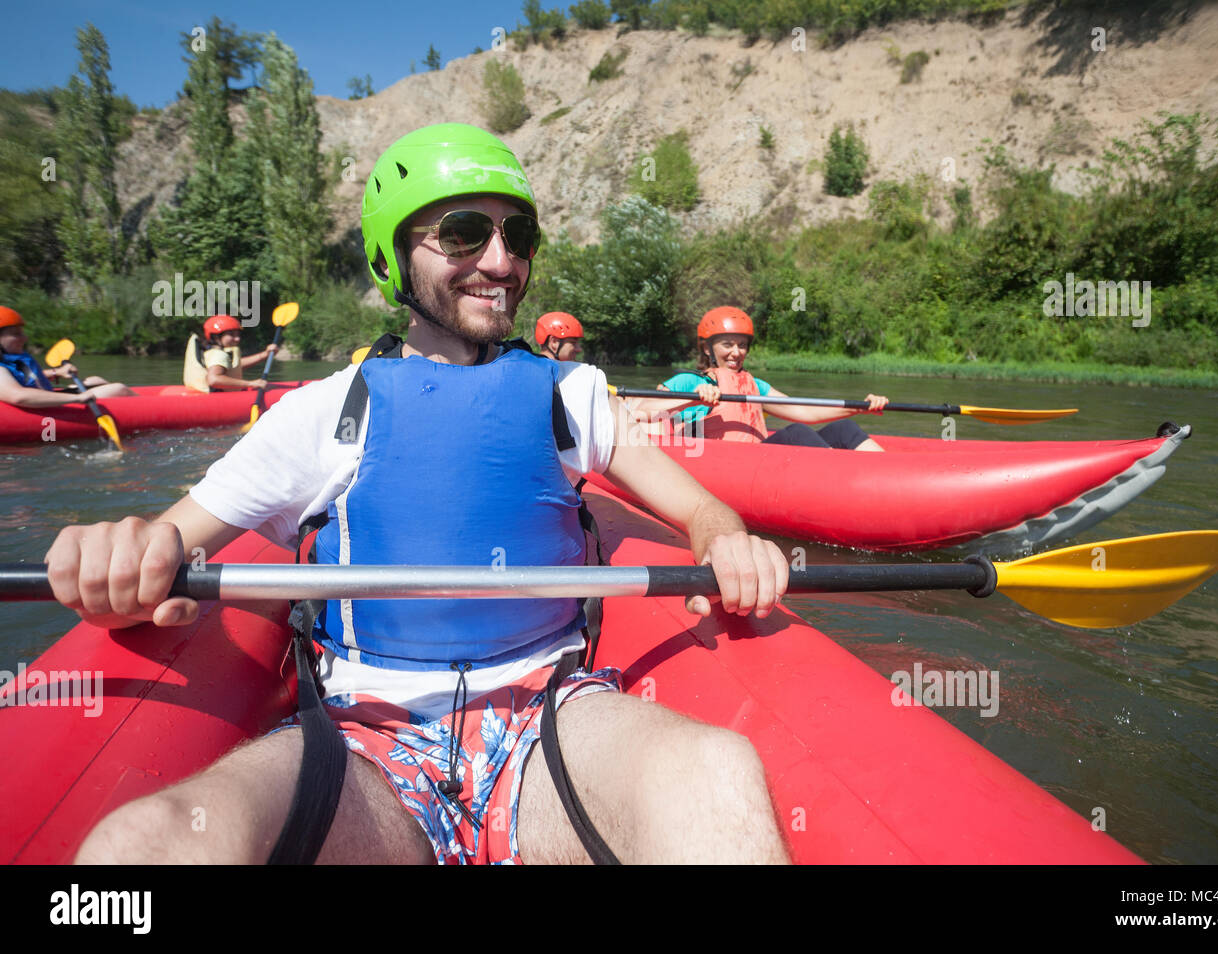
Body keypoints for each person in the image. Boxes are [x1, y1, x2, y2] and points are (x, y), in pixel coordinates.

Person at [47, 123, 790, 865]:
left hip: (552, 717)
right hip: (366, 742)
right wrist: (121, 552)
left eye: (518, 235)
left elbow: (699, 508)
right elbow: (170, 538)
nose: (499, 262)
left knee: (717, 773)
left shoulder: (576, 393)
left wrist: (725, 538)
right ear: (391, 256)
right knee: (138, 846)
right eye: (464, 235)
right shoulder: (324, 413)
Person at [629, 306, 889, 451]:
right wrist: (691, 399)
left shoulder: (756, 386)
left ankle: (881, 480)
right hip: (726, 466)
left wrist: (859, 407)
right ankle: (844, 485)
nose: (736, 352)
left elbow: (801, 409)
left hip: (759, 461)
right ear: (707, 349)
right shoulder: (689, 381)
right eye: (727, 344)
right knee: (796, 434)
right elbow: (642, 412)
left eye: (742, 345)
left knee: (843, 430)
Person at [0, 306, 136, 409]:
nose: (25, 338)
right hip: (42, 408)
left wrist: (56, 372)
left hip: (46, 399)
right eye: (16, 334)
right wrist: (78, 398)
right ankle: (153, 410)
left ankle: (135, 408)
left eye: (22, 333)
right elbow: (18, 396)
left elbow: (27, 376)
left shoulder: (11, 357)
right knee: (119, 389)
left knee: (96, 380)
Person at [183, 314, 278, 392]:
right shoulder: (218, 355)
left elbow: (233, 367)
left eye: (237, 334)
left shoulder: (211, 352)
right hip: (217, 399)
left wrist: (264, 355)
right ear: (216, 337)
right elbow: (214, 379)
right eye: (231, 335)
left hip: (198, 393)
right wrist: (251, 383)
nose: (237, 339)